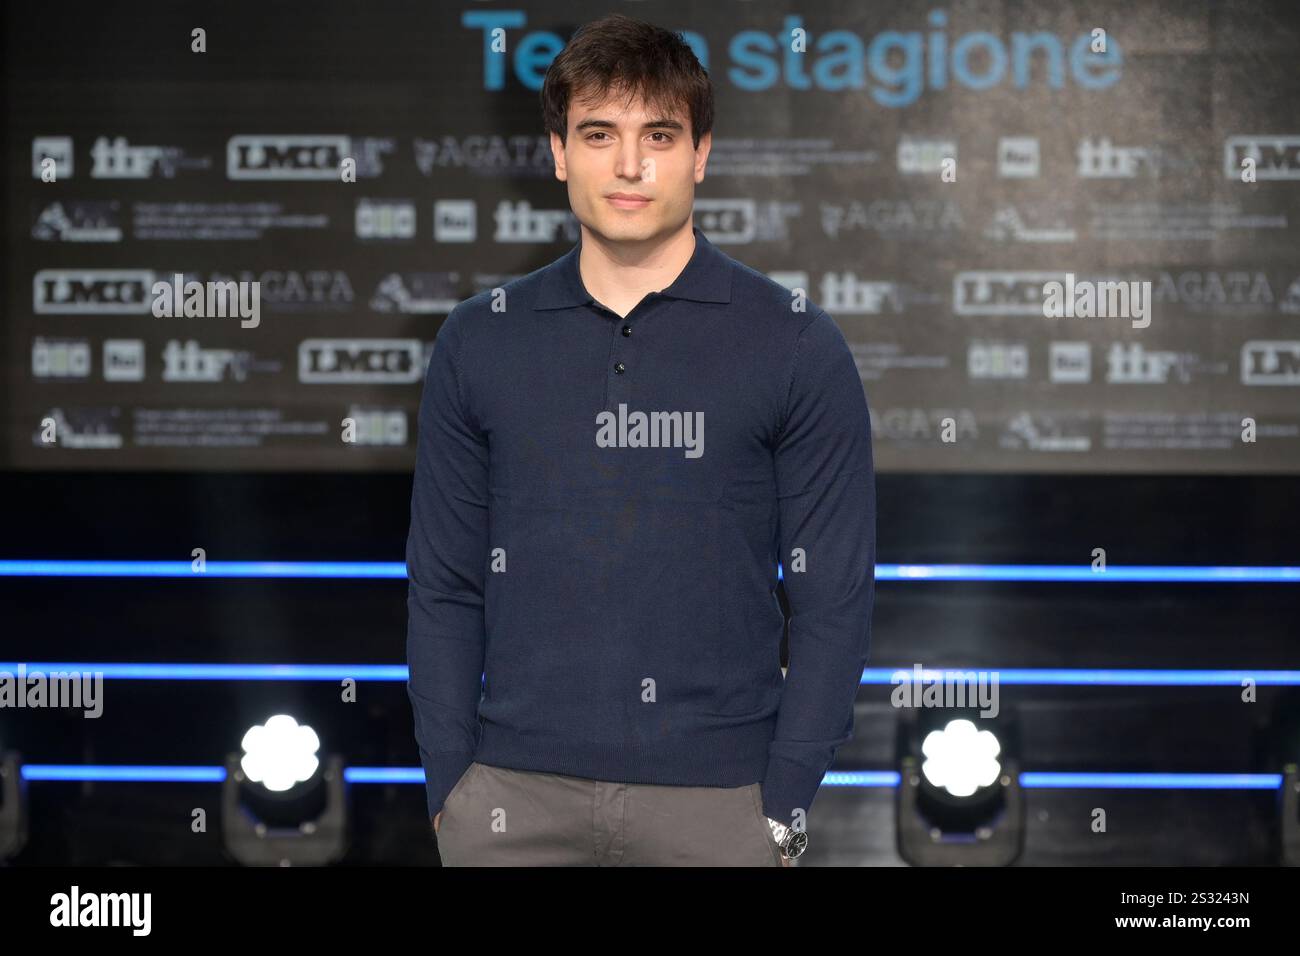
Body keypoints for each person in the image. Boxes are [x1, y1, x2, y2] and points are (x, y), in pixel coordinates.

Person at [406, 12, 875, 866]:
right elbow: (444, 582)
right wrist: (452, 791)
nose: (629, 164)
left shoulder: (796, 343)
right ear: (558, 153)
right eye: (599, 133)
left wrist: (779, 807)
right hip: (510, 805)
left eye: (658, 133)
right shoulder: (482, 340)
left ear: (701, 154)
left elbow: (833, 599)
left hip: (721, 808)